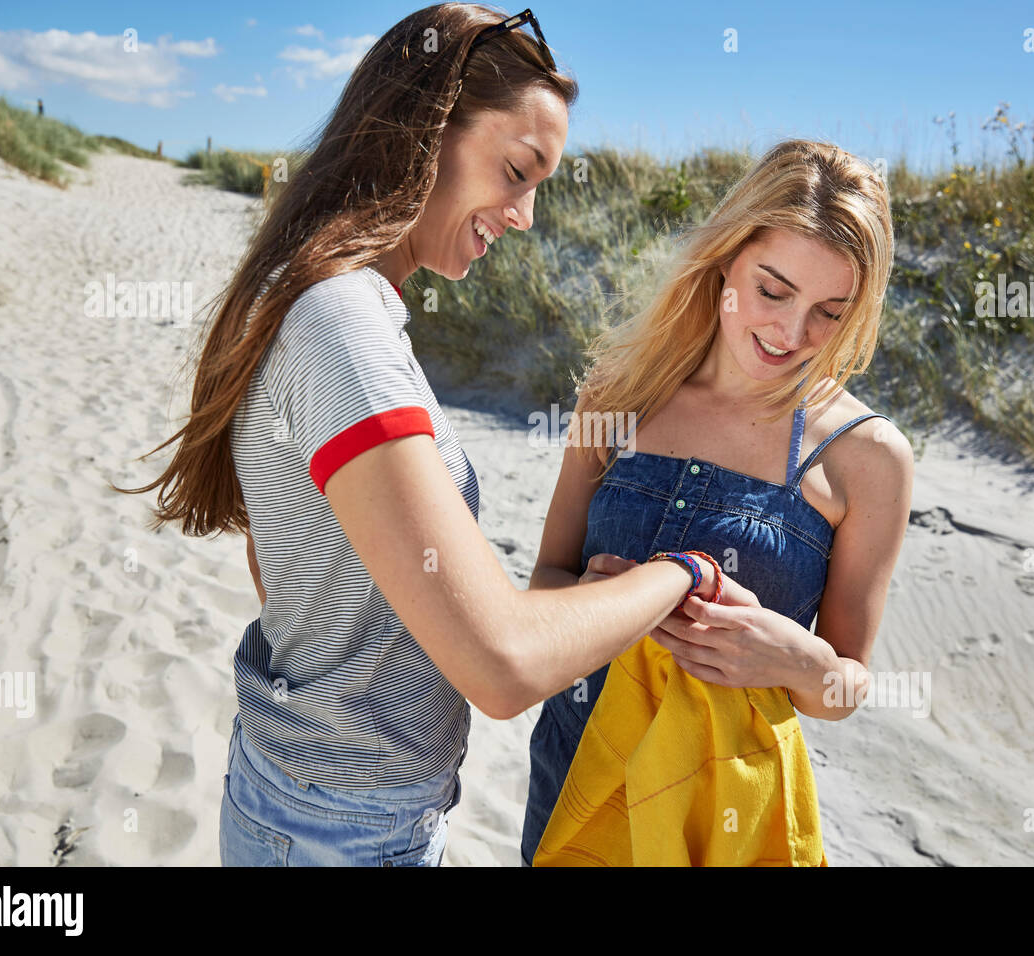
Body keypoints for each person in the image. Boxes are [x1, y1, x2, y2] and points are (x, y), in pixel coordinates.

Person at [116, 3, 721, 867]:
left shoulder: (314, 293)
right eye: (518, 170)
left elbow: (284, 561)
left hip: (310, 804)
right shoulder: (340, 324)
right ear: (427, 130)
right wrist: (679, 574)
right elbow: (502, 665)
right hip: (343, 829)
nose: (526, 215)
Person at [520, 138, 915, 865]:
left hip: (724, 809)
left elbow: (847, 681)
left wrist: (799, 663)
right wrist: (592, 603)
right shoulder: (619, 396)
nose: (792, 335)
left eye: (831, 311)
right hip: (575, 771)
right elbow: (544, 581)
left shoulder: (869, 456)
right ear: (727, 258)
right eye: (773, 290)